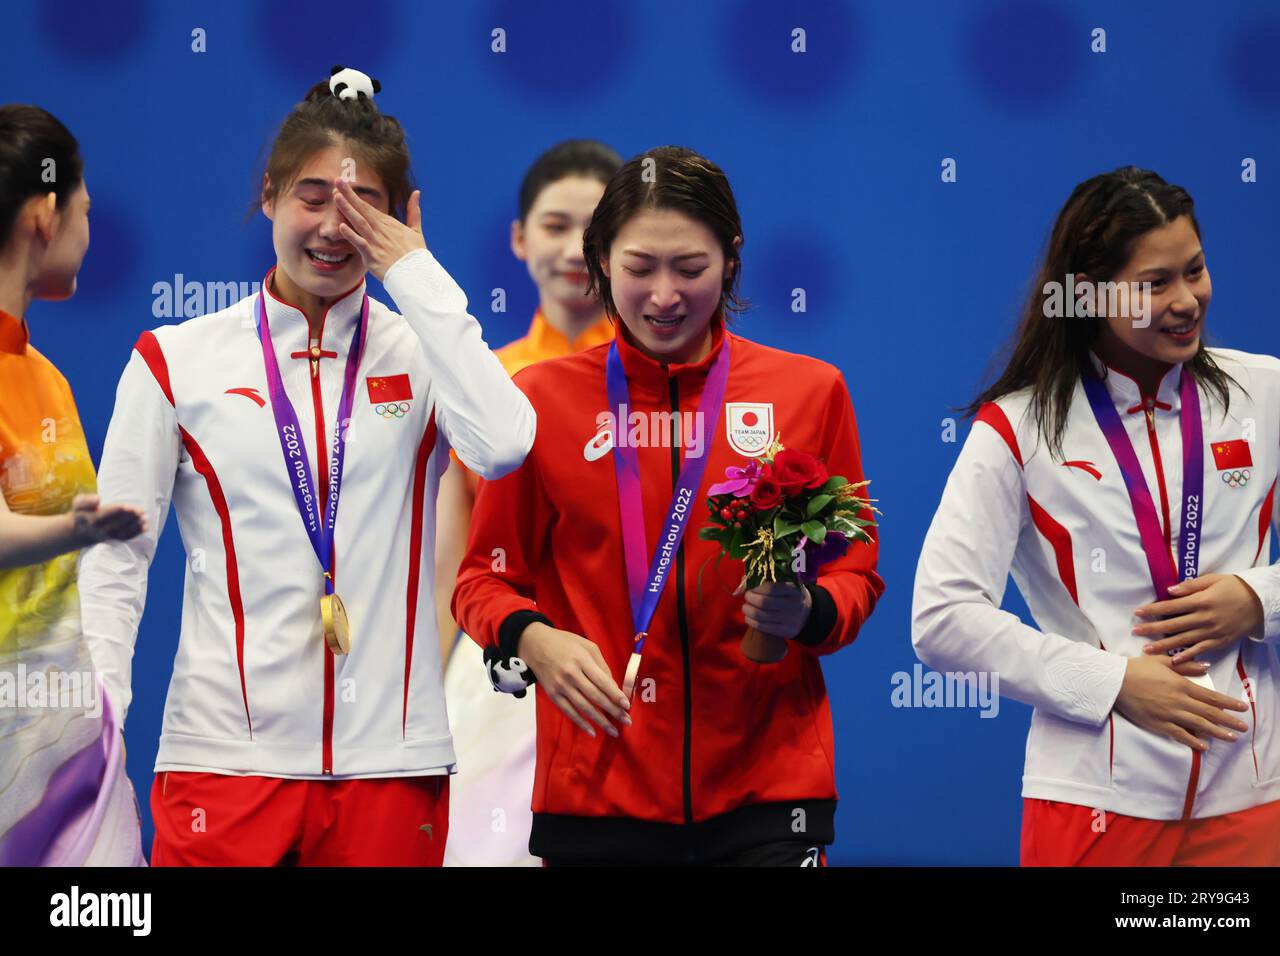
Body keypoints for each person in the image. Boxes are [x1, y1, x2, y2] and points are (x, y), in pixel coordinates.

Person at [77, 68, 536, 866]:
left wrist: (415, 275)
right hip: (223, 765)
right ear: (268, 195)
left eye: (364, 206)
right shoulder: (174, 360)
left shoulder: (426, 356)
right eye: (313, 196)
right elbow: (117, 554)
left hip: (392, 770)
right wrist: (102, 715)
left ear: (402, 217)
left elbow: (504, 442)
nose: (334, 226)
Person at [453, 145, 884, 866]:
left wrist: (809, 610)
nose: (663, 296)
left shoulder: (809, 392)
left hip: (772, 791)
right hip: (596, 794)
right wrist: (532, 638)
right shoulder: (539, 401)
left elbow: (856, 575)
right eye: (638, 269)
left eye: (691, 269)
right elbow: (482, 579)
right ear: (601, 260)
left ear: (732, 257)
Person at [912, 166, 1280, 867]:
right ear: (1087, 295)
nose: (1186, 300)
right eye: (1154, 284)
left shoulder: (1269, 391)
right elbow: (942, 619)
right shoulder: (1018, 429)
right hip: (1097, 798)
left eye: (1196, 270)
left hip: (1256, 782)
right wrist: (1114, 684)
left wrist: (1258, 597)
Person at [437, 139, 621, 867]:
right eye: (553, 225)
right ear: (518, 239)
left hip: (624, 660)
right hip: (499, 662)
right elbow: (452, 558)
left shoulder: (663, 385)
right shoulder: (485, 381)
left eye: (595, 227)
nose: (575, 248)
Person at [0, 104, 147, 866]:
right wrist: (78, 530)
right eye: (83, 209)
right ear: (44, 214)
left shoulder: (46, 378)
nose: (89, 229)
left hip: (68, 743)